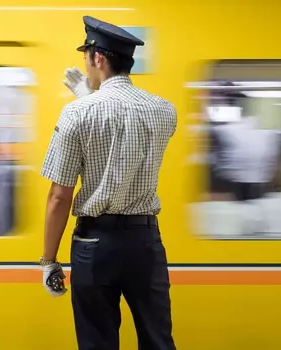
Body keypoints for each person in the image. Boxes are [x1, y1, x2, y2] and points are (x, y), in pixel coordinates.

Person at [39, 15, 177, 350]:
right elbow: (125, 140)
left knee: (97, 342)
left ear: (97, 58)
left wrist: (49, 261)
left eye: (86, 57)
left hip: (94, 245)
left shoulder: (77, 113)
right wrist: (89, 97)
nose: (85, 66)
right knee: (158, 340)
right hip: (146, 243)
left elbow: (59, 196)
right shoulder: (164, 111)